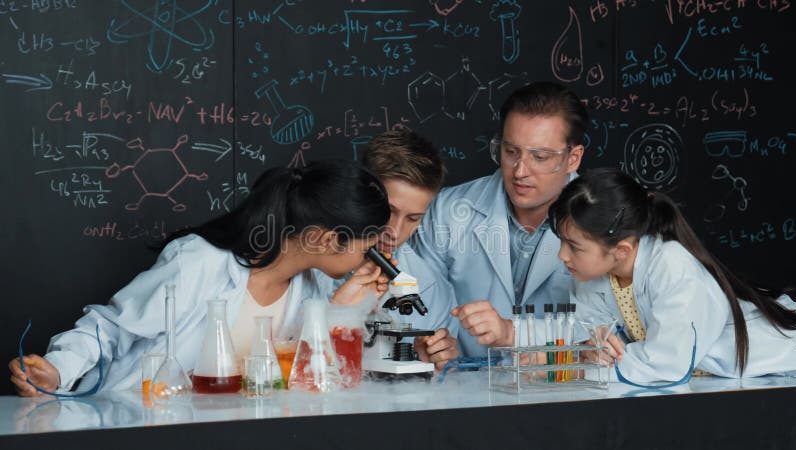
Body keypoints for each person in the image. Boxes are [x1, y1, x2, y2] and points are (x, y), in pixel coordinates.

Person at [9, 160, 390, 396]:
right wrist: (58, 370)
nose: (372, 258)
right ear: (326, 239)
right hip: (153, 428)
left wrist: (339, 313)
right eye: (367, 247)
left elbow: (306, 383)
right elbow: (110, 329)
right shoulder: (200, 261)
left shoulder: (315, 287)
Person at [549, 168, 796, 381]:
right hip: (706, 384)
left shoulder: (672, 266)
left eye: (574, 246)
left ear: (621, 250)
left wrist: (574, 369)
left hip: (776, 369)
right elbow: (591, 331)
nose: (562, 255)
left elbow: (662, 365)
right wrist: (591, 346)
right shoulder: (592, 274)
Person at [411, 82, 586, 357]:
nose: (520, 171)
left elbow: (607, 329)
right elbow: (420, 298)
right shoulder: (449, 210)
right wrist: (435, 343)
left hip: (564, 386)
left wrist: (513, 334)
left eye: (539, 157)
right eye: (511, 152)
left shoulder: (601, 220)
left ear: (573, 158)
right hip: (463, 386)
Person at [330, 130, 459, 370]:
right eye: (389, 211)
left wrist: (425, 360)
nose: (396, 231)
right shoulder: (312, 266)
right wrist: (338, 312)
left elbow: (437, 391)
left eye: (413, 218)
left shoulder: (435, 291)